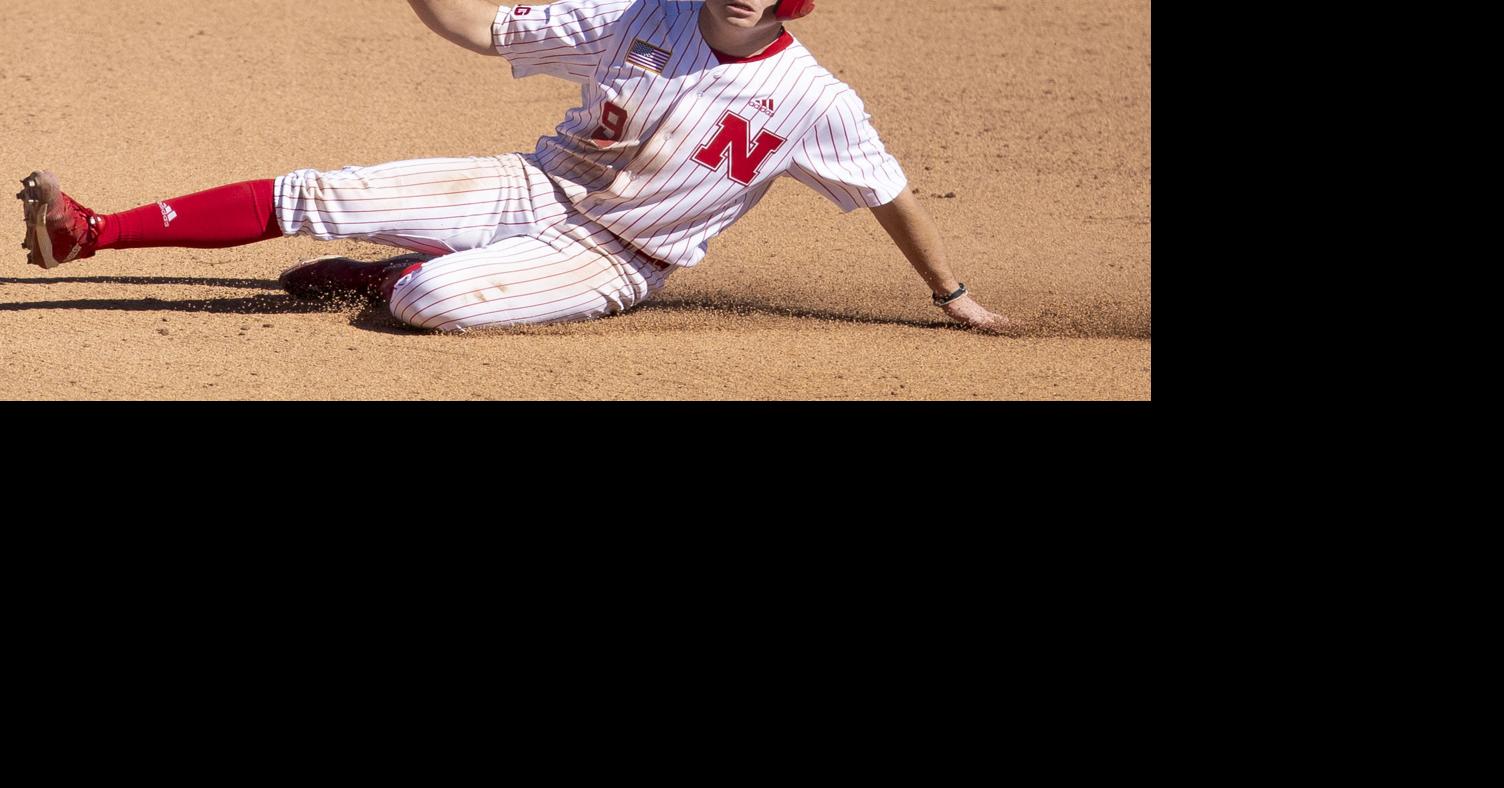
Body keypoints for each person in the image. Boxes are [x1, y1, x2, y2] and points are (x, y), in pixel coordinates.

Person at [18, 0, 1012, 334]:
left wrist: (952, 293)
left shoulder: (816, 101)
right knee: (325, 191)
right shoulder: (644, 12)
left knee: (430, 302)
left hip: (614, 256)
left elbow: (888, 196)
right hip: (538, 183)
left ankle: (384, 276)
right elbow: (483, 26)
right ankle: (90, 233)